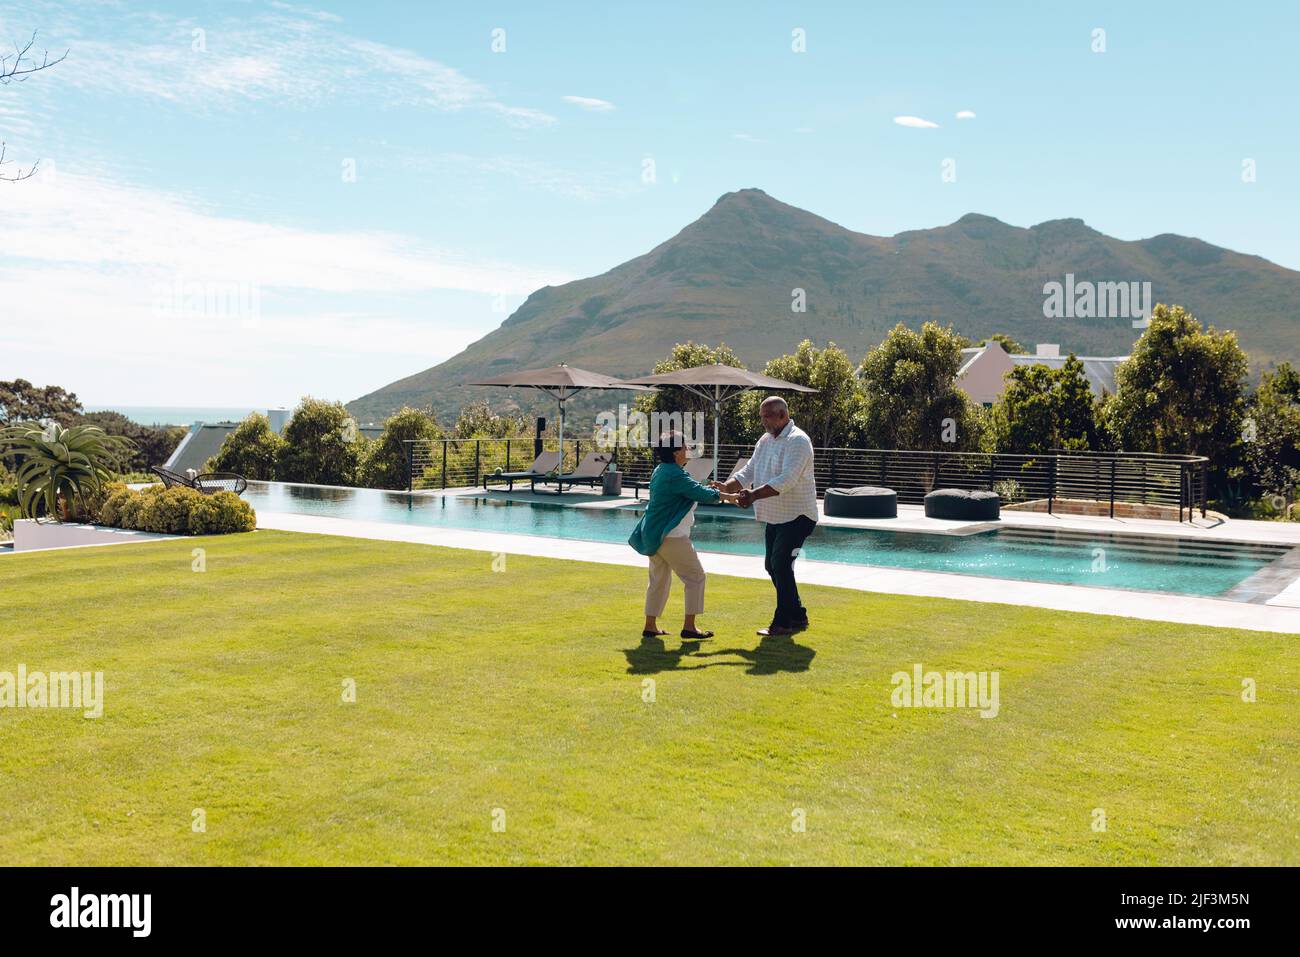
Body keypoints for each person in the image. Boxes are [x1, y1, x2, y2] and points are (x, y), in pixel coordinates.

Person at [711, 396, 818, 636]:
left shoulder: (798, 441)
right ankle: (798, 615)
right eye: (761, 417)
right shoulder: (766, 440)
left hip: (799, 515)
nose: (763, 422)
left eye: (766, 416)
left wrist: (752, 496)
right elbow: (749, 470)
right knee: (772, 565)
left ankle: (783, 623)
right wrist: (727, 487)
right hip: (776, 515)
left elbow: (787, 480)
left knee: (780, 564)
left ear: (782, 415)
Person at [629, 431, 741, 640]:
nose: (687, 450)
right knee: (696, 577)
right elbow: (701, 494)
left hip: (655, 535)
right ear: (675, 452)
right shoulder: (674, 474)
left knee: (658, 580)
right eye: (685, 447)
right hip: (672, 536)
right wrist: (730, 497)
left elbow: (693, 488)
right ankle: (690, 627)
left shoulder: (662, 470)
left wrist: (714, 490)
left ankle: (650, 626)